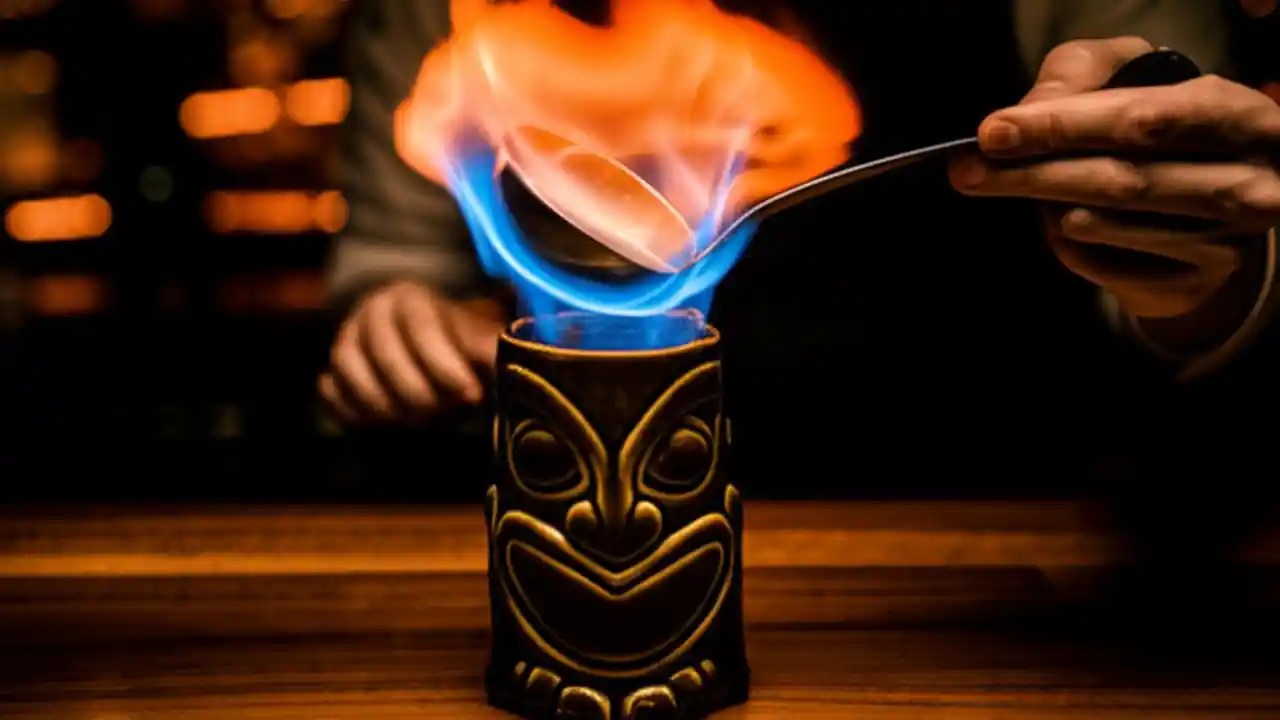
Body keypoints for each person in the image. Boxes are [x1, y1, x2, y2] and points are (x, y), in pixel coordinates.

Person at [319, 0, 1280, 493]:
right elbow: (392, 257)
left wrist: (1192, 267)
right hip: (580, 510)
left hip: (1014, 509)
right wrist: (396, 310)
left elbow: (1219, 292)